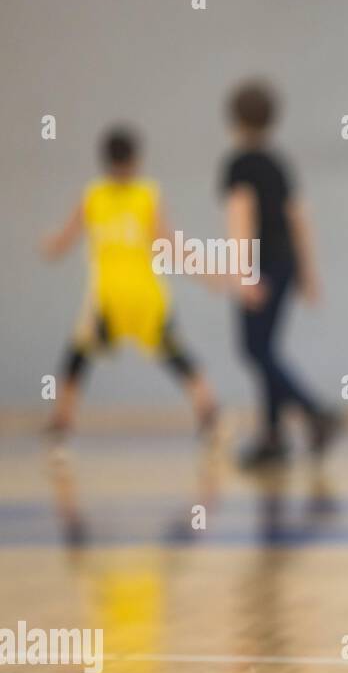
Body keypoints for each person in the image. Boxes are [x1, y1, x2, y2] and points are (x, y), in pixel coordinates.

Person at [40, 126, 218, 446]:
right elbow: (168, 244)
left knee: (77, 359)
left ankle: (61, 423)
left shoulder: (92, 196)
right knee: (177, 356)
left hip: (108, 296)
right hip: (145, 295)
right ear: (137, 159)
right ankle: (210, 416)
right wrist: (206, 272)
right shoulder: (147, 194)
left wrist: (49, 245)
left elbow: (62, 241)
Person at [220, 80, 340, 469]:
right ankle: (273, 436)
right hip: (284, 262)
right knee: (267, 347)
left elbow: (241, 216)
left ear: (234, 119)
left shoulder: (239, 164)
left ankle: (313, 411)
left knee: (254, 348)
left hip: (261, 263)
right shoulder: (277, 163)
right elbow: (299, 217)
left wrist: (243, 273)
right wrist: (308, 271)